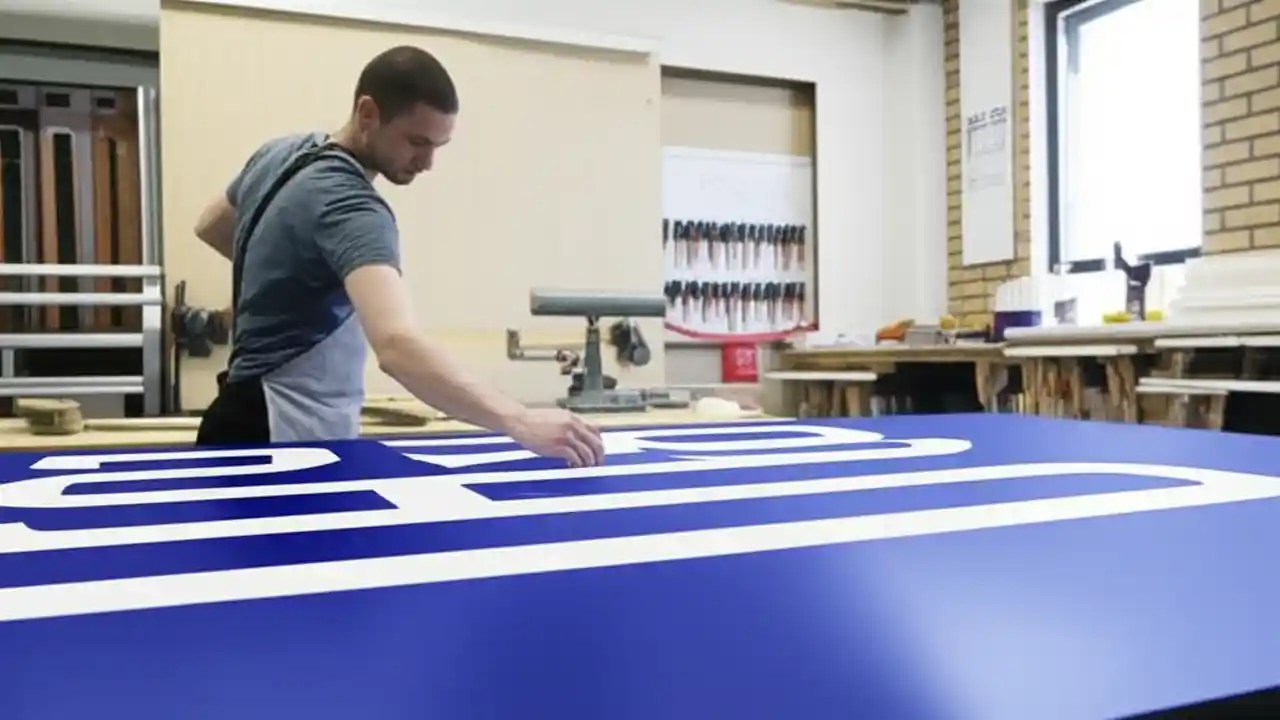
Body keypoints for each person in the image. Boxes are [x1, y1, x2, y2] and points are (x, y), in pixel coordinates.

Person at [191, 45, 606, 467]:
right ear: (368, 113)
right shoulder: (352, 206)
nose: (427, 163)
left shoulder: (280, 153)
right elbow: (396, 345)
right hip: (283, 433)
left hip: (237, 414)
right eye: (417, 142)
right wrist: (518, 419)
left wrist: (286, 280)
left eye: (438, 146)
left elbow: (212, 225)